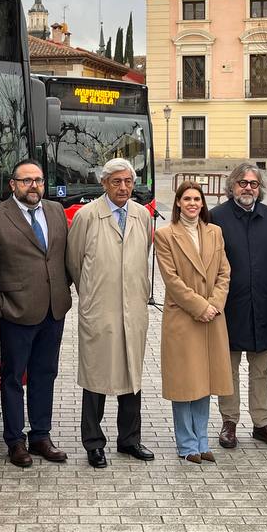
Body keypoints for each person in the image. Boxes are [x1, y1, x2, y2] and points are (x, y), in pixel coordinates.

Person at [0, 159, 71, 468]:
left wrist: (63, 288)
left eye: (39, 180)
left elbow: (62, 257)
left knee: (46, 374)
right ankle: (15, 441)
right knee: (13, 377)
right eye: (26, 180)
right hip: (15, 311)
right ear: (13, 185)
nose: (34, 186)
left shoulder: (56, 211)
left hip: (53, 309)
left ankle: (41, 436)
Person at [67, 158, 154, 467]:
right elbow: (74, 261)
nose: (123, 187)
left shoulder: (142, 215)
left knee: (132, 376)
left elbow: (142, 256)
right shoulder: (88, 216)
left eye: (128, 181)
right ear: (104, 183)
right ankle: (93, 443)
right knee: (97, 377)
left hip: (133, 309)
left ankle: (129, 440)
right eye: (116, 181)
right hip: (100, 309)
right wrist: (90, 294)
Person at [210, 163, 267, 450]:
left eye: (253, 184)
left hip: (263, 308)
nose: (248, 188)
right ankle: (229, 422)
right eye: (242, 183)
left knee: (261, 370)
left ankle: (262, 423)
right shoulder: (216, 217)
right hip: (229, 308)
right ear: (232, 186)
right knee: (227, 370)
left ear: (260, 188)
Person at [154, 182, 232, 464]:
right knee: (184, 383)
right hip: (183, 317)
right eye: (186, 198)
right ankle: (186, 444)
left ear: (203, 203)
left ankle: (202, 440)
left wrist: (215, 304)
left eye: (197, 199)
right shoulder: (165, 235)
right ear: (177, 202)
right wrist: (201, 306)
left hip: (212, 317)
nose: (192, 203)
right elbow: (172, 280)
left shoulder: (215, 232)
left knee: (205, 381)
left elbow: (224, 271)